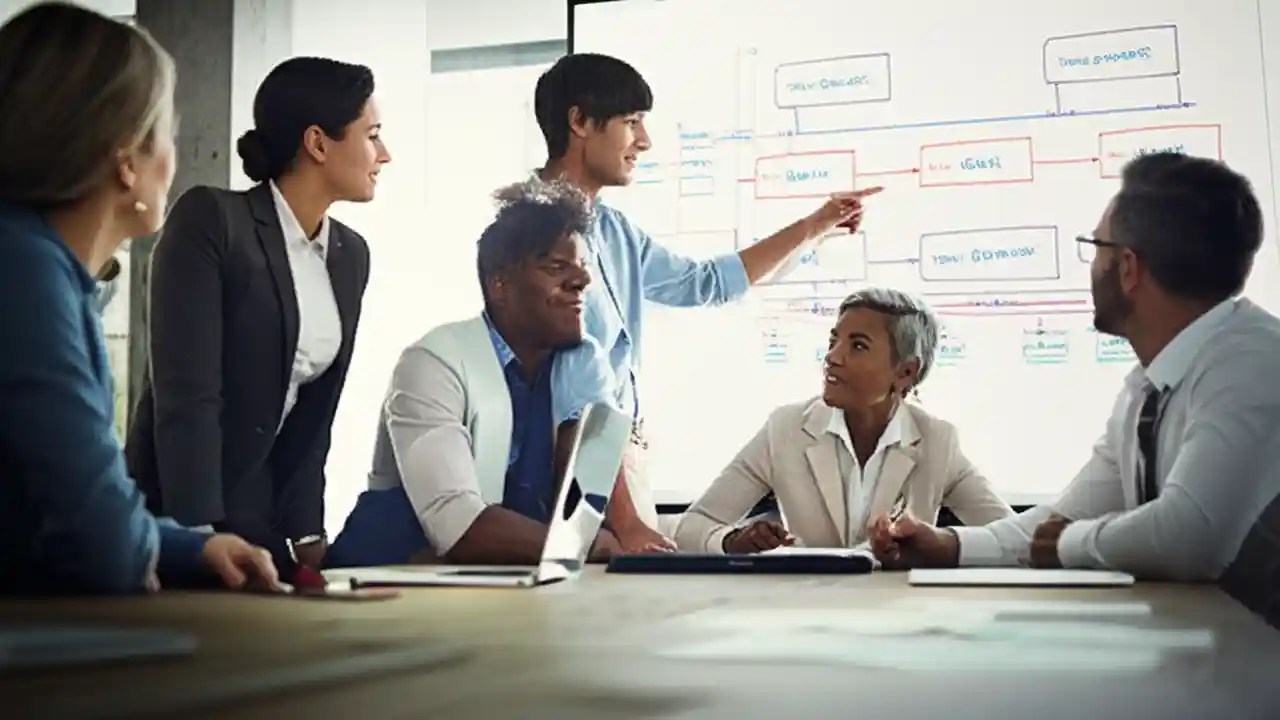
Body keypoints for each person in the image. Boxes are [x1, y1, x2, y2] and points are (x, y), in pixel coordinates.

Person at [868, 152, 1280, 581]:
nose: (1091, 266)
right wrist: (949, 545)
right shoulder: (1149, 387)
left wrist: (1067, 544)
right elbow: (1066, 515)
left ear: (1127, 267)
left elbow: (1186, 537)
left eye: (1095, 247)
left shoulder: (1253, 362)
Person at [532, 53, 882, 549]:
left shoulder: (613, 231)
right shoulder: (534, 233)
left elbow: (706, 283)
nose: (645, 141)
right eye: (631, 122)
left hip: (615, 463)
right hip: (568, 468)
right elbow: (580, 396)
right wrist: (627, 521)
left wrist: (814, 229)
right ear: (580, 122)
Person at [0, 1, 278, 594]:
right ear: (126, 160)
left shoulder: (37, 264)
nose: (173, 158)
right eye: (168, 135)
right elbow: (101, 546)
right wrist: (148, 547)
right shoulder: (24, 272)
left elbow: (51, 515)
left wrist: (194, 546)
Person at [125, 56, 391, 578]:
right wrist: (198, 540)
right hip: (177, 521)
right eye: (373, 135)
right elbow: (187, 396)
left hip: (261, 525)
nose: (385, 154)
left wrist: (309, 536)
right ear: (318, 143)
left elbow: (315, 419)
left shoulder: (349, 255)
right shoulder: (212, 221)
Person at [325, 179, 633, 566]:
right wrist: (582, 545)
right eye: (556, 267)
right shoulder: (434, 363)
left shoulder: (580, 365)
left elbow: (587, 511)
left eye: (583, 267)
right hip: (381, 589)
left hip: (502, 590)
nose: (582, 280)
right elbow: (458, 525)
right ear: (500, 286)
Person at [675, 288, 1012, 554]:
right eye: (833, 340)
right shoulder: (786, 429)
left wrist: (940, 543)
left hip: (897, 619)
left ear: (906, 371)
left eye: (858, 346)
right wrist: (731, 540)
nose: (833, 357)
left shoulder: (937, 441)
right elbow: (694, 526)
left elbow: (1011, 538)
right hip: (804, 616)